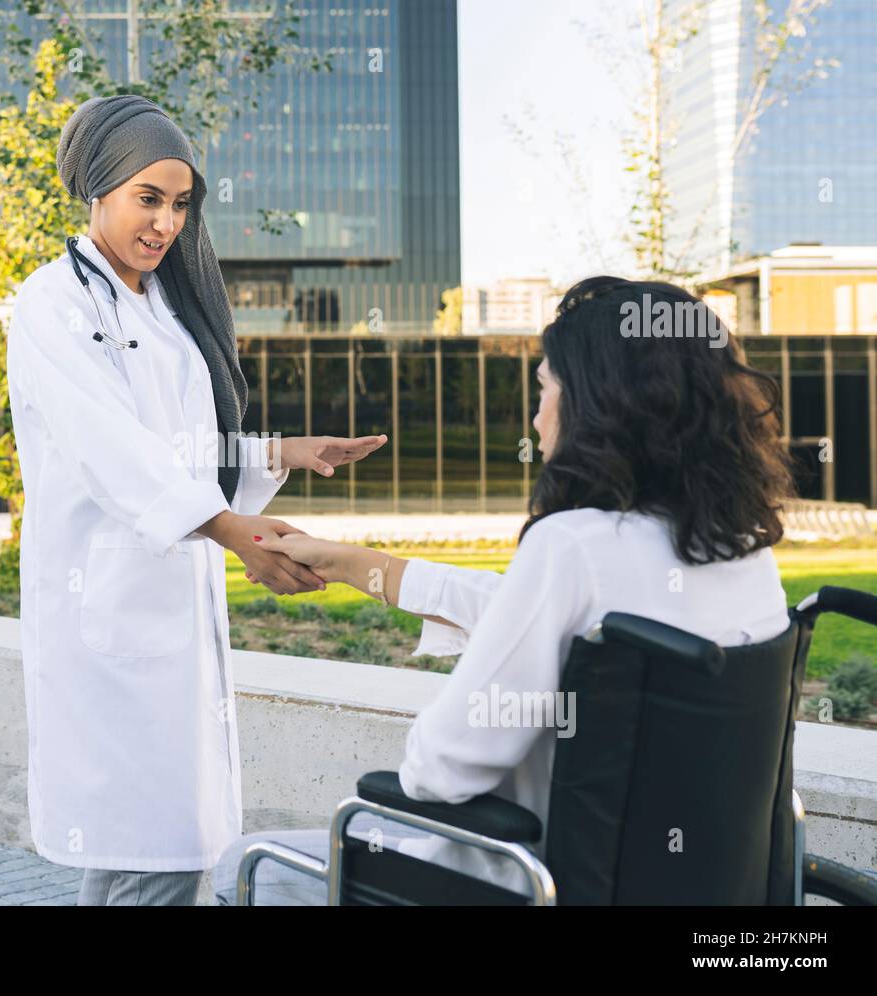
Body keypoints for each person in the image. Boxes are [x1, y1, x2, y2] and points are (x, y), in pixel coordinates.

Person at [216, 276, 797, 904]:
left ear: (599, 403)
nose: (537, 416)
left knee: (246, 865)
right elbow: (534, 611)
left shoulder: (571, 545)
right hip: (688, 891)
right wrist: (360, 565)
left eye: (546, 389)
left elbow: (440, 769)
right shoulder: (746, 550)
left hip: (517, 880)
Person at [4, 94, 387, 906]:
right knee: (157, 860)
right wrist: (229, 529)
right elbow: (112, 449)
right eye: (149, 198)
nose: (167, 223)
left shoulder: (166, 308)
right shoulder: (53, 303)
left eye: (181, 204)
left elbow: (182, 449)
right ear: (99, 190)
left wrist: (284, 451)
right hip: (105, 614)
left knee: (134, 856)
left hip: (166, 615)